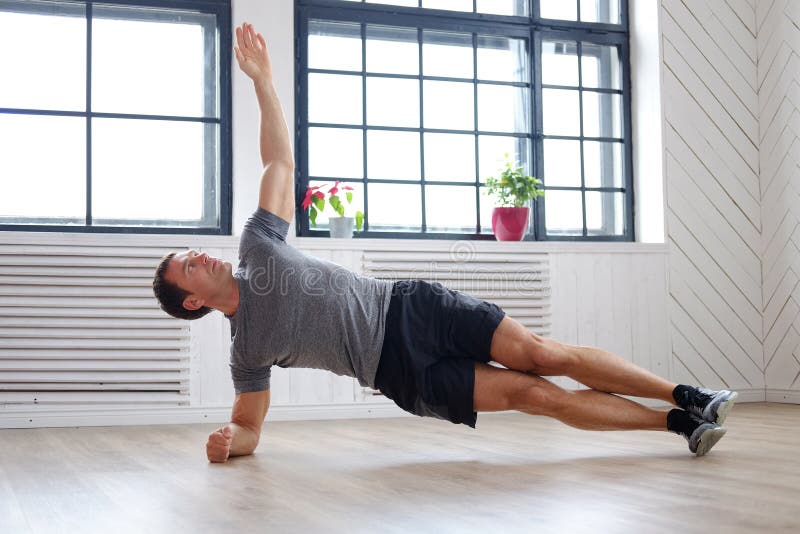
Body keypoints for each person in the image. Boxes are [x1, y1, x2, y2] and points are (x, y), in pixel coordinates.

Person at [152, 22, 738, 463]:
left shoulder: (256, 244)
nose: (198, 255)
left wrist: (263, 81)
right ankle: (678, 425)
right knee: (536, 396)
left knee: (544, 356)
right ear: (194, 301)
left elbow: (279, 161)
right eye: (188, 266)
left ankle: (688, 394)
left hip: (412, 308)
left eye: (190, 252)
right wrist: (231, 441)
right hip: (401, 373)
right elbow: (250, 424)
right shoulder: (247, 350)